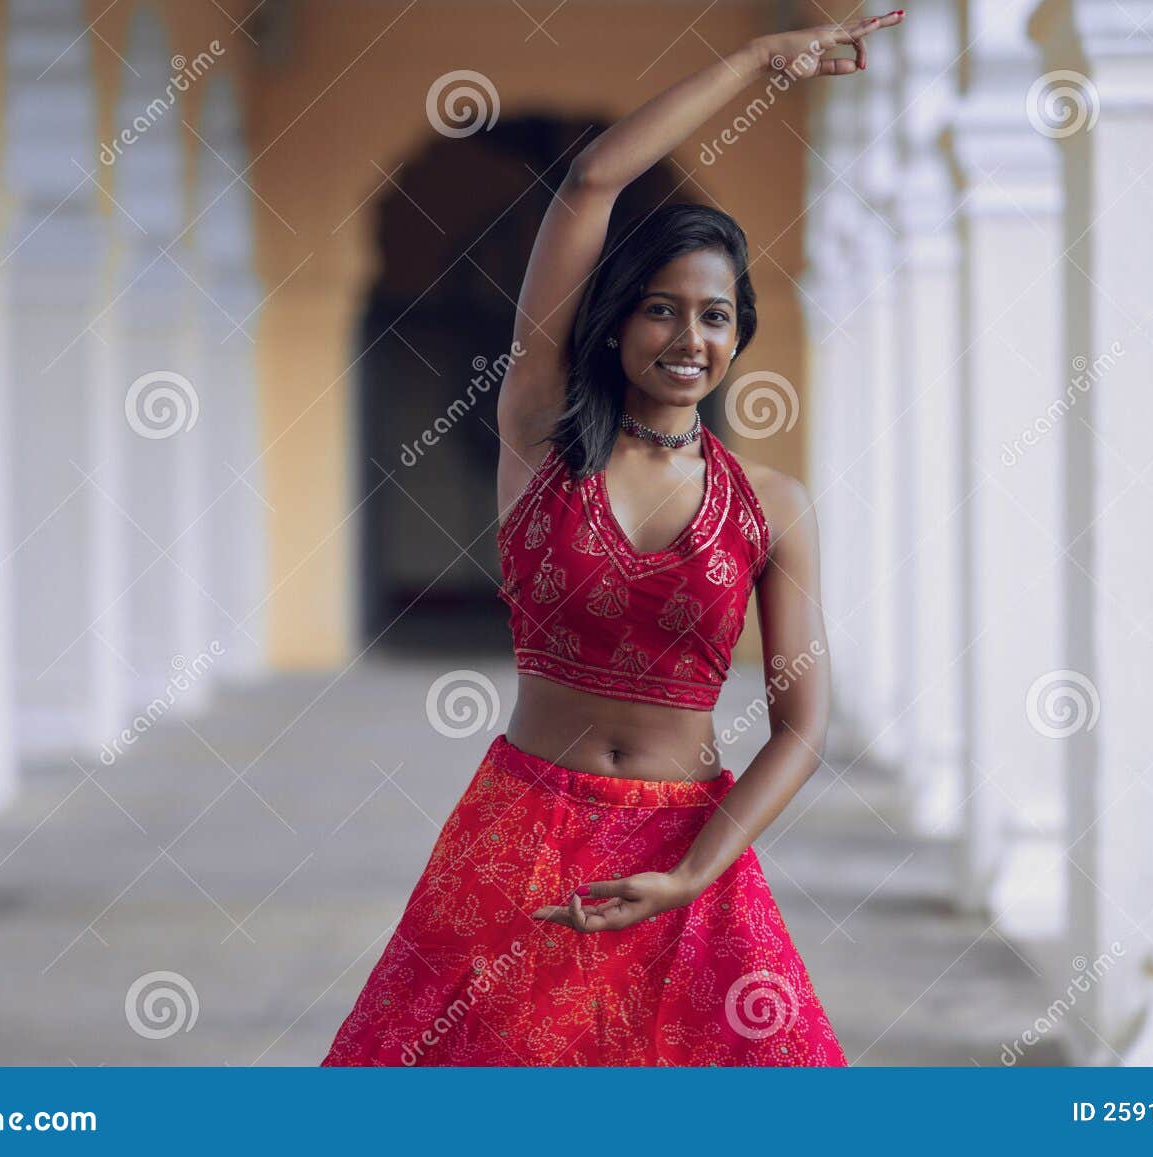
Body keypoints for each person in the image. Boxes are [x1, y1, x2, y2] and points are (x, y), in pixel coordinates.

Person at [321, 9, 904, 1067]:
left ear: (740, 334)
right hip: (521, 835)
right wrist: (756, 62)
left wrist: (695, 868)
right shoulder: (542, 436)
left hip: (687, 844)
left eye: (716, 316)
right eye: (661, 310)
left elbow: (801, 724)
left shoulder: (771, 505)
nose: (690, 338)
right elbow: (590, 184)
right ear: (614, 321)